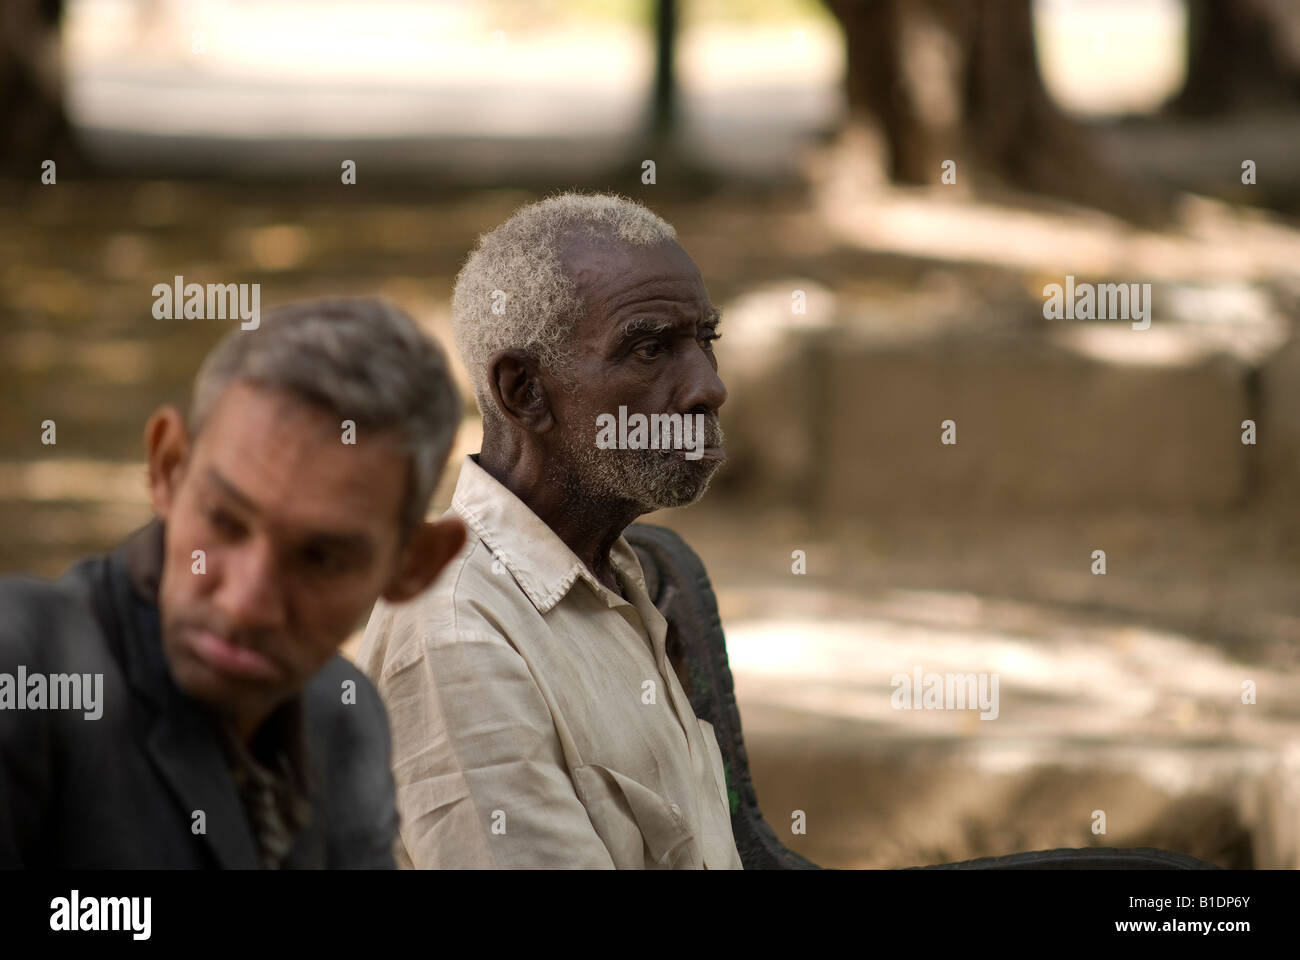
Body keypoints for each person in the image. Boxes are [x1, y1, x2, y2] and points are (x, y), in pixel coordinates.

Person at [0, 298, 467, 868]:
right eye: (223, 521)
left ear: (414, 565)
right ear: (169, 467)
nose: (247, 603)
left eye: (320, 558)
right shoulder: (24, 671)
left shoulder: (345, 724)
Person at [358, 193, 742, 868]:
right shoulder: (458, 630)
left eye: (704, 342)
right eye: (650, 349)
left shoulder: (607, 572)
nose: (707, 388)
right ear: (525, 394)